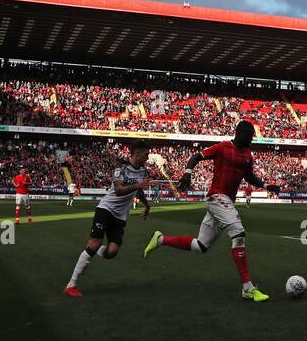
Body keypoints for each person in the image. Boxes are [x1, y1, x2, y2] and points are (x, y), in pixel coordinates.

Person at [143, 121, 270, 302]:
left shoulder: (248, 155)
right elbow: (196, 157)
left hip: (225, 203)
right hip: (217, 197)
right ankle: (248, 288)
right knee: (238, 233)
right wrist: (187, 173)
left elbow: (249, 175)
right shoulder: (223, 147)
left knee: (201, 245)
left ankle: (160, 239)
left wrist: (266, 185)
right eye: (250, 136)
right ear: (240, 134)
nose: (252, 140)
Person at [64, 141, 152, 298]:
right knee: (95, 243)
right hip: (106, 209)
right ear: (137, 153)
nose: (148, 156)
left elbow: (138, 191)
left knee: (111, 252)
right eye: (146, 154)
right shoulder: (121, 167)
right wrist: (138, 185)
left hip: (120, 215)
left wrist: (147, 205)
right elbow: (119, 190)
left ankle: (95, 248)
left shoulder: (143, 171)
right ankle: (71, 285)